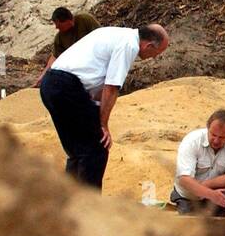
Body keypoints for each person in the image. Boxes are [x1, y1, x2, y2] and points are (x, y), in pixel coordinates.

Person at [38, 24, 170, 189]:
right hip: (66, 86)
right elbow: (111, 87)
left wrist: (95, 114)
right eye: (156, 54)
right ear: (149, 45)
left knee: (78, 151)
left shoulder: (114, 33)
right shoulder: (129, 45)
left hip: (51, 85)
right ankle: (91, 208)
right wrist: (102, 124)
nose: (153, 58)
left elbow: (97, 86)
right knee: (97, 147)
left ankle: (68, 204)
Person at [171, 109, 225, 217]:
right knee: (192, 229)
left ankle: (218, 227)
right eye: (213, 135)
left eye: (221, 137)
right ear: (207, 128)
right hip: (188, 196)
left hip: (214, 193)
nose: (216, 140)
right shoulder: (192, 141)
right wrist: (209, 193)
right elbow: (184, 179)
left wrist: (205, 187)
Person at [34, 7, 99, 87]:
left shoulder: (85, 20)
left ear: (68, 20)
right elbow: (55, 57)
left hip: (97, 59)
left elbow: (101, 35)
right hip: (81, 68)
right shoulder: (60, 38)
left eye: (58, 24)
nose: (56, 27)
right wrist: (43, 76)